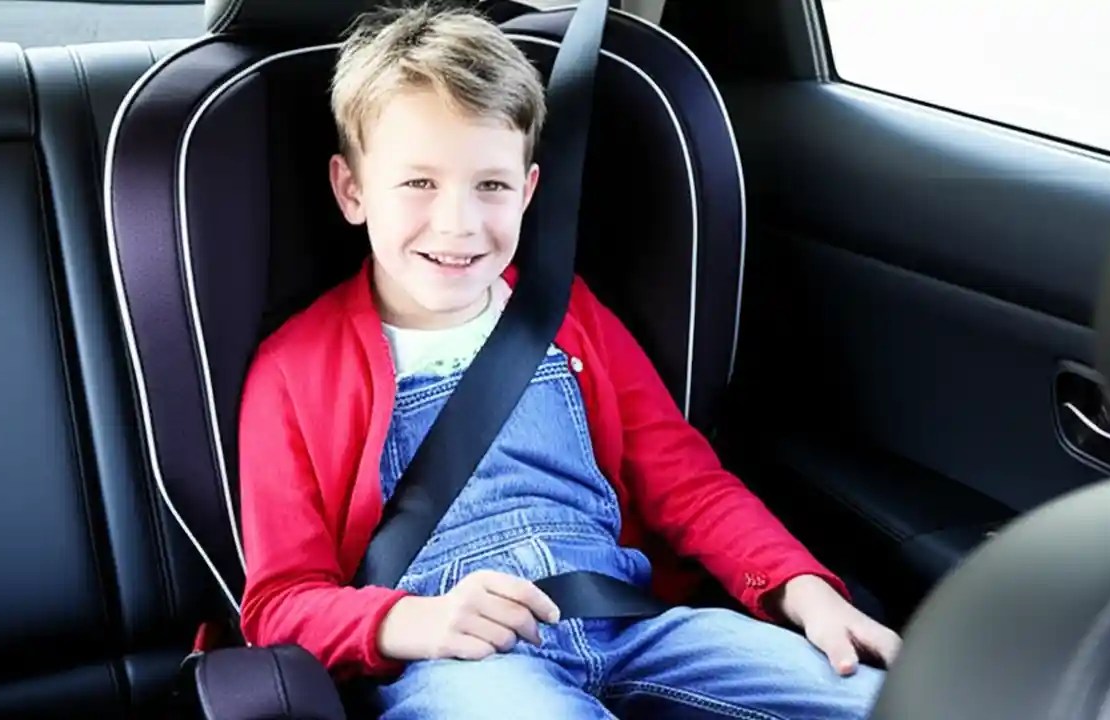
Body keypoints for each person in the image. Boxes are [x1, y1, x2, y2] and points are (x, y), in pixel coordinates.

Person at [237, 3, 900, 718]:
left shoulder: (567, 313)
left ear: (527, 192)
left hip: (634, 624)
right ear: (352, 191)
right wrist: (408, 622)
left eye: (490, 185)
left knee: (889, 700)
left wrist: (805, 591)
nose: (458, 222)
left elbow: (690, 486)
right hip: (461, 660)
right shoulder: (293, 370)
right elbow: (280, 602)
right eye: (419, 183)